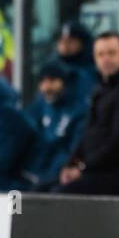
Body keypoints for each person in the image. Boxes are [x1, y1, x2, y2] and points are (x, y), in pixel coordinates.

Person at [57, 31, 119, 195]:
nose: (105, 59)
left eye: (111, 53)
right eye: (100, 54)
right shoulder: (102, 88)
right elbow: (88, 133)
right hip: (92, 170)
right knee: (41, 191)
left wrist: (84, 167)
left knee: (59, 196)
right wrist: (71, 163)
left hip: (115, 174)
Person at [23, 62, 87, 190]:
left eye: (52, 80)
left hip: (63, 174)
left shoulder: (80, 108)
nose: (46, 87)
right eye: (43, 81)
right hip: (39, 172)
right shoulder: (41, 104)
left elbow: (74, 147)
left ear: (64, 82)